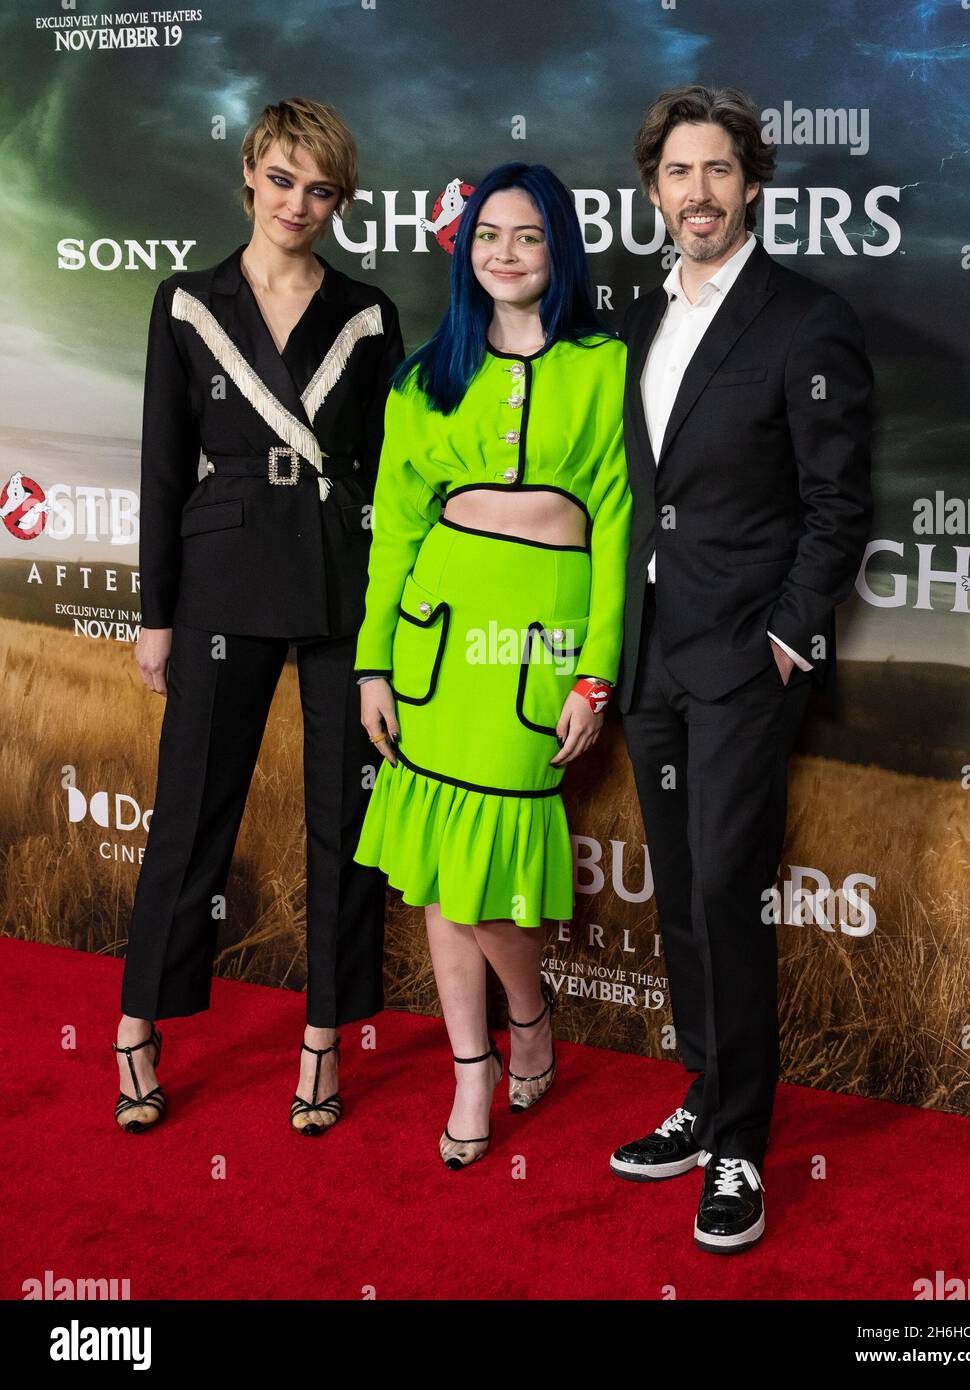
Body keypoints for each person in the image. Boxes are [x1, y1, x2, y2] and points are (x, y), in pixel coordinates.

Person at [609, 85, 873, 1251]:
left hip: (740, 659)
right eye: (677, 172)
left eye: (717, 171)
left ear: (749, 184)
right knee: (677, 892)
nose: (697, 192)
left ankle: (740, 1148)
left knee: (724, 888)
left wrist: (783, 637)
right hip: (649, 657)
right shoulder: (634, 313)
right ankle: (703, 1094)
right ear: (654, 188)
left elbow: (836, 504)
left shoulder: (801, 319)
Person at [112, 97, 404, 1137]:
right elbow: (157, 467)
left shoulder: (367, 313)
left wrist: (384, 630)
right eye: (281, 179)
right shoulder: (186, 301)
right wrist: (156, 614)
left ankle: (322, 1040)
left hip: (336, 582)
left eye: (319, 189)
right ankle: (137, 1028)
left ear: (338, 200)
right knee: (188, 814)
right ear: (248, 174)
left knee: (344, 826)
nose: (297, 203)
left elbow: (389, 474)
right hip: (220, 580)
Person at [352, 162, 632, 1169]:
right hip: (435, 639)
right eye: (484, 237)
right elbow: (394, 533)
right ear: (462, 253)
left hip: (536, 643)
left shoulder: (608, 368)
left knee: (485, 887)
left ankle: (530, 1008)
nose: (503, 254)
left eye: (524, 236)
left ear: (557, 250)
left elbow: (620, 527)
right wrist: (373, 662)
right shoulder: (422, 378)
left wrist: (594, 674)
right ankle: (471, 1067)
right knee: (437, 880)